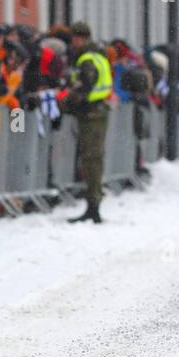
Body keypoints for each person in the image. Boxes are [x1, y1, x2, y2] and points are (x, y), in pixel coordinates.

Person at [64, 21, 113, 224]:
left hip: (91, 115)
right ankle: (94, 203)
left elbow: (84, 88)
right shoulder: (98, 55)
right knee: (94, 160)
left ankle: (93, 206)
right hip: (97, 113)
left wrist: (65, 103)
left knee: (91, 160)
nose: (72, 43)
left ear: (78, 38)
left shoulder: (86, 59)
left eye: (73, 39)